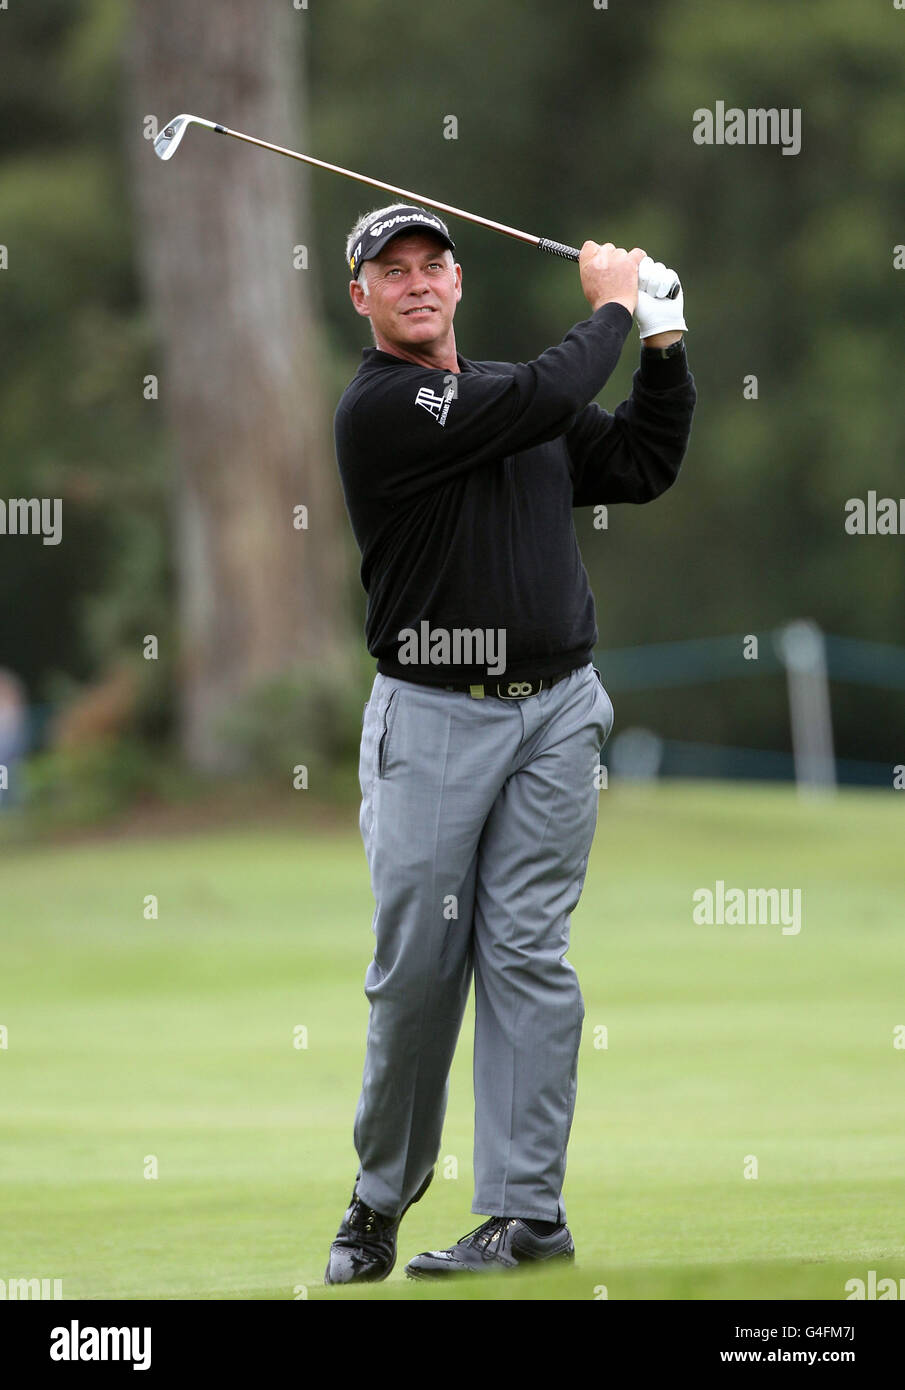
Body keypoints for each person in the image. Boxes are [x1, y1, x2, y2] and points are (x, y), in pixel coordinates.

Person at [324, 203, 696, 1282]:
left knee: (529, 956)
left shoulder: (502, 399)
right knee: (418, 973)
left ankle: (526, 1213)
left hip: (555, 713)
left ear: (457, 281)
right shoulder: (384, 408)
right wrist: (614, 304)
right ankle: (379, 1196)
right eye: (389, 272)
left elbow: (636, 463)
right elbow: (544, 393)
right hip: (432, 719)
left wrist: (663, 341)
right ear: (360, 297)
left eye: (432, 263)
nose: (416, 282)